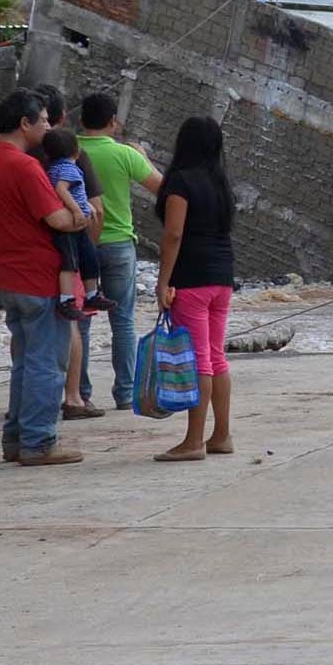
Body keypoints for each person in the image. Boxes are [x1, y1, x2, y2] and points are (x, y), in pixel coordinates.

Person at [0, 90, 91, 465]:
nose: (48, 126)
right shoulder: (25, 166)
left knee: (26, 363)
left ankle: (16, 438)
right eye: (43, 120)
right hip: (40, 277)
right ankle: (39, 441)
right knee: (47, 363)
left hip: (10, 274)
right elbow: (56, 218)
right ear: (24, 123)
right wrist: (81, 215)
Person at [152, 115, 238, 461]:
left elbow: (174, 235)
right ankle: (221, 435)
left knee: (198, 359)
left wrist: (162, 282)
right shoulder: (221, 183)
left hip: (192, 278)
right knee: (216, 356)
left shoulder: (180, 182)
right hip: (222, 277)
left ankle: (192, 442)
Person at [73, 94, 161, 414]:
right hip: (120, 245)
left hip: (80, 246)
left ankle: (80, 394)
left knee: (80, 321)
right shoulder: (124, 154)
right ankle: (125, 394)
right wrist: (144, 158)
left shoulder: (69, 151)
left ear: (81, 120)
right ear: (113, 122)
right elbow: (163, 189)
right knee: (122, 321)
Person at [38, 128, 112, 324]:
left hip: (76, 225)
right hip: (72, 226)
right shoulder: (68, 168)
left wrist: (85, 205)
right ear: (76, 152)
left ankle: (91, 295)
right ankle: (68, 300)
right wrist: (78, 211)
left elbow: (75, 192)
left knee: (85, 259)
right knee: (70, 263)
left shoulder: (52, 168)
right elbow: (61, 189)